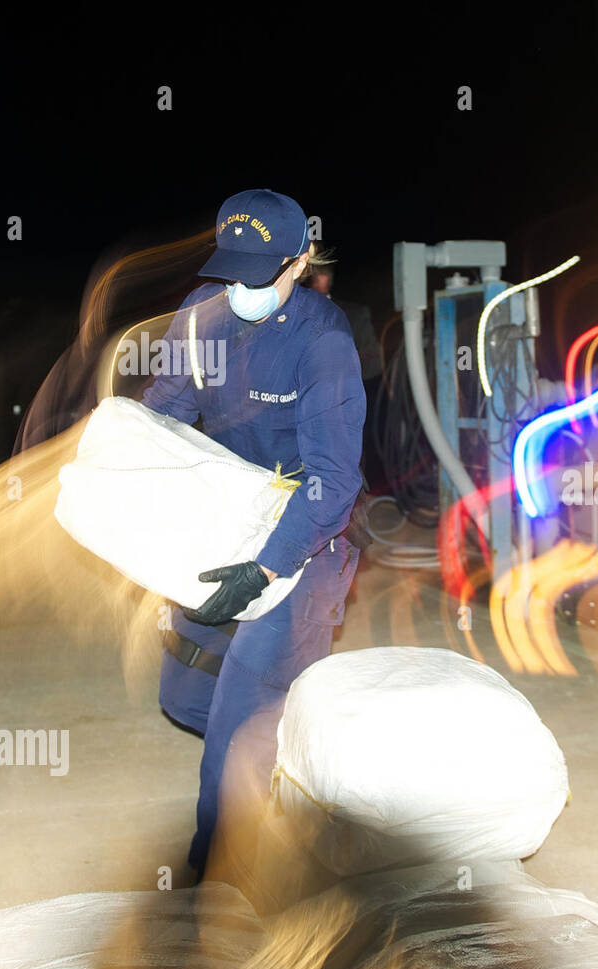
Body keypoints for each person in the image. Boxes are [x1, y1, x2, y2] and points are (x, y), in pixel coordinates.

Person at [141, 189, 366, 877]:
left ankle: (213, 885)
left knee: (238, 731)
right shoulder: (198, 317)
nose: (239, 287)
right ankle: (283, 765)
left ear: (300, 263)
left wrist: (265, 569)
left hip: (301, 541)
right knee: (186, 695)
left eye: (259, 273)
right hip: (224, 518)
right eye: (230, 270)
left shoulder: (323, 341)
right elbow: (165, 416)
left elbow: (333, 480)